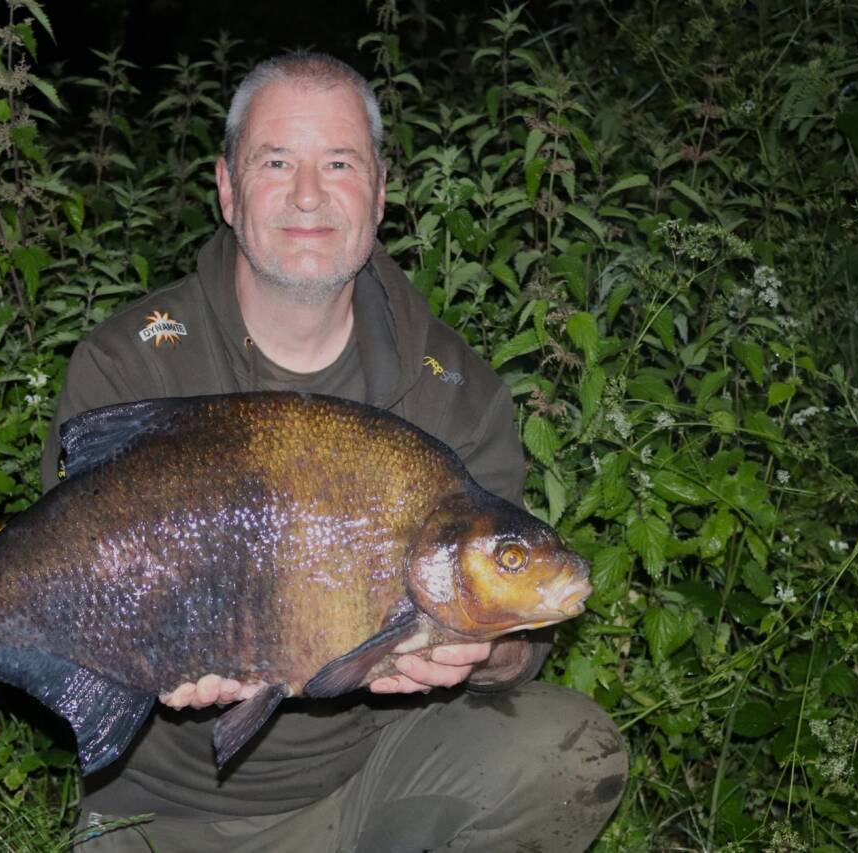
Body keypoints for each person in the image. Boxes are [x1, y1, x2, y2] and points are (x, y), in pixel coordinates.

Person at [40, 51, 627, 853]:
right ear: (226, 187)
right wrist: (140, 654)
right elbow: (65, 584)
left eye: (339, 163)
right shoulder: (132, 361)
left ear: (380, 191)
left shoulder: (451, 388)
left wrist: (486, 652)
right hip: (165, 804)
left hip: (371, 774)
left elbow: (524, 643)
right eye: (276, 161)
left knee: (570, 752)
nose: (308, 194)